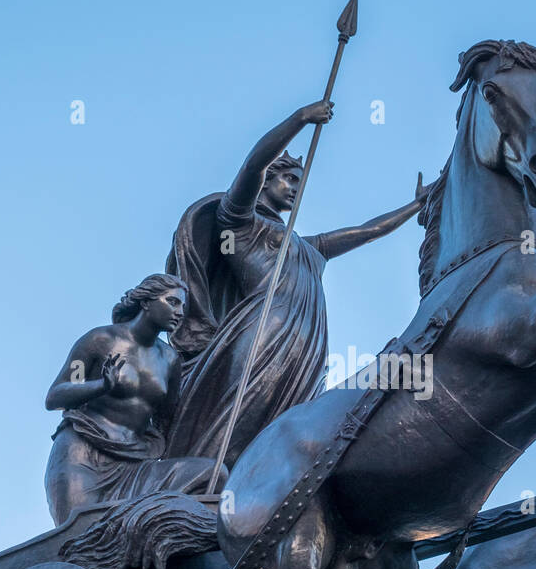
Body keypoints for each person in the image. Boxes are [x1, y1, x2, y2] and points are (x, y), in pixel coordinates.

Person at [165, 99, 431, 469]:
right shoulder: (239, 222)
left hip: (307, 346)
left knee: (287, 428)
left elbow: (369, 231)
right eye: (289, 178)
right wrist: (300, 119)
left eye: (300, 182)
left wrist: (416, 205)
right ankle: (205, 479)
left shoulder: (310, 248)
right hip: (262, 335)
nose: (295, 188)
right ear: (268, 180)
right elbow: (252, 164)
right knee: (240, 414)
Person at [43, 273, 224, 525]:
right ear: (146, 302)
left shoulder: (170, 360)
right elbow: (54, 397)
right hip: (83, 456)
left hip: (136, 465)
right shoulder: (99, 340)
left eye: (183, 305)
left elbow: (169, 419)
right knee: (80, 535)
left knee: (214, 474)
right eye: (173, 302)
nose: (180, 312)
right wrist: (101, 386)